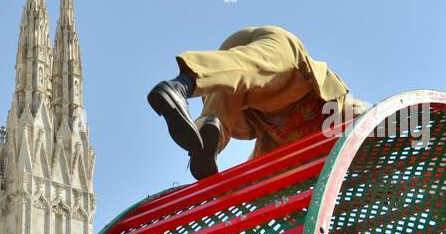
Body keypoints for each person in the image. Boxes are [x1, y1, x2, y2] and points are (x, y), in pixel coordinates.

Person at [146, 26, 365, 180]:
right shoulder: (340, 117)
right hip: (282, 52)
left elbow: (250, 176)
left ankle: (209, 132)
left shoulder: (272, 152)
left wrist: (221, 192)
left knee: (231, 85)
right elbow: (371, 118)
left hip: (238, 76)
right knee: (257, 67)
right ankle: (183, 85)